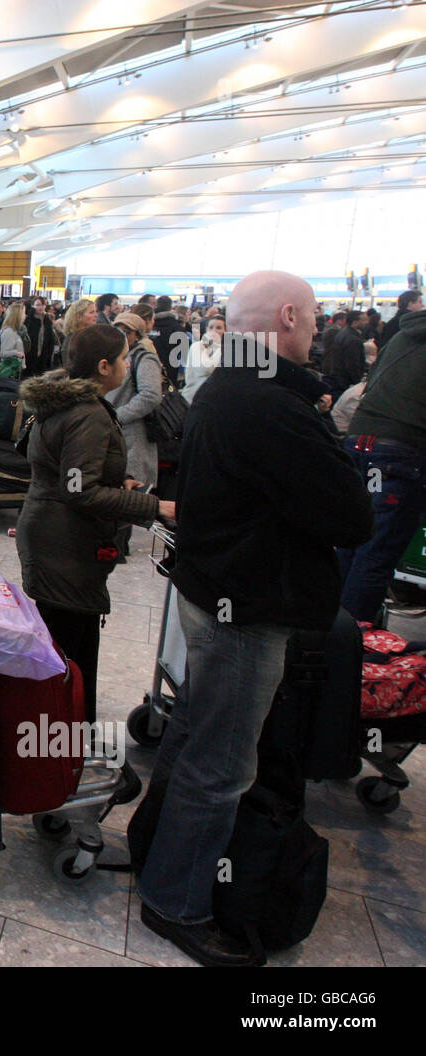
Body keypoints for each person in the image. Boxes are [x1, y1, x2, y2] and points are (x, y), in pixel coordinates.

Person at [137, 270, 373, 967]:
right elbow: (352, 514)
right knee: (222, 766)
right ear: (291, 315)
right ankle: (176, 901)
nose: (318, 328)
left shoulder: (228, 388)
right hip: (244, 609)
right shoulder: (269, 404)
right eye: (314, 316)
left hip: (215, 591)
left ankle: (159, 853)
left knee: (196, 738)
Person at [17, 324, 168, 723]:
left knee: (66, 644)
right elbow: (80, 492)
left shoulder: (68, 404)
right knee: (70, 652)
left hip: (54, 536)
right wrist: (152, 507)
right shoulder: (87, 414)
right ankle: (60, 747)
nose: (126, 366)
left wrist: (119, 482)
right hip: (64, 544)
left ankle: (61, 742)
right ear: (104, 366)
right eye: (122, 359)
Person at [337, 301, 426, 621]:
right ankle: (350, 648)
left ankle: (326, 641)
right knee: (375, 556)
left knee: (350, 545)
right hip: (399, 452)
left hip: (359, 443)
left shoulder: (403, 335)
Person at [107, 312, 163, 561]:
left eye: (126, 330)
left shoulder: (144, 357)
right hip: (119, 429)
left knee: (128, 484)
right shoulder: (122, 354)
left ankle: (119, 545)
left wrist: (119, 415)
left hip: (133, 433)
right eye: (117, 329)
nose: (121, 334)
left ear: (137, 334)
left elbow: (151, 395)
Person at [325, 309, 368, 398]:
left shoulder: (343, 333)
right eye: (363, 320)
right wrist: (357, 382)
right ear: (355, 322)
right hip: (345, 381)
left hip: (338, 377)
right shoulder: (352, 339)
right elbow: (352, 364)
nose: (366, 322)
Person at [182, 314, 224, 403]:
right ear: (206, 330)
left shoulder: (227, 350)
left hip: (212, 402)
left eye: (219, 328)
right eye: (211, 327)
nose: (214, 331)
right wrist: (222, 348)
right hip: (192, 400)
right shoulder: (197, 346)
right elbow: (206, 369)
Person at [0, 301, 27, 372]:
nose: (25, 315)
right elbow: (3, 353)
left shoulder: (15, 330)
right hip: (10, 369)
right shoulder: (9, 332)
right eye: (23, 313)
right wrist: (17, 353)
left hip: (15, 367)